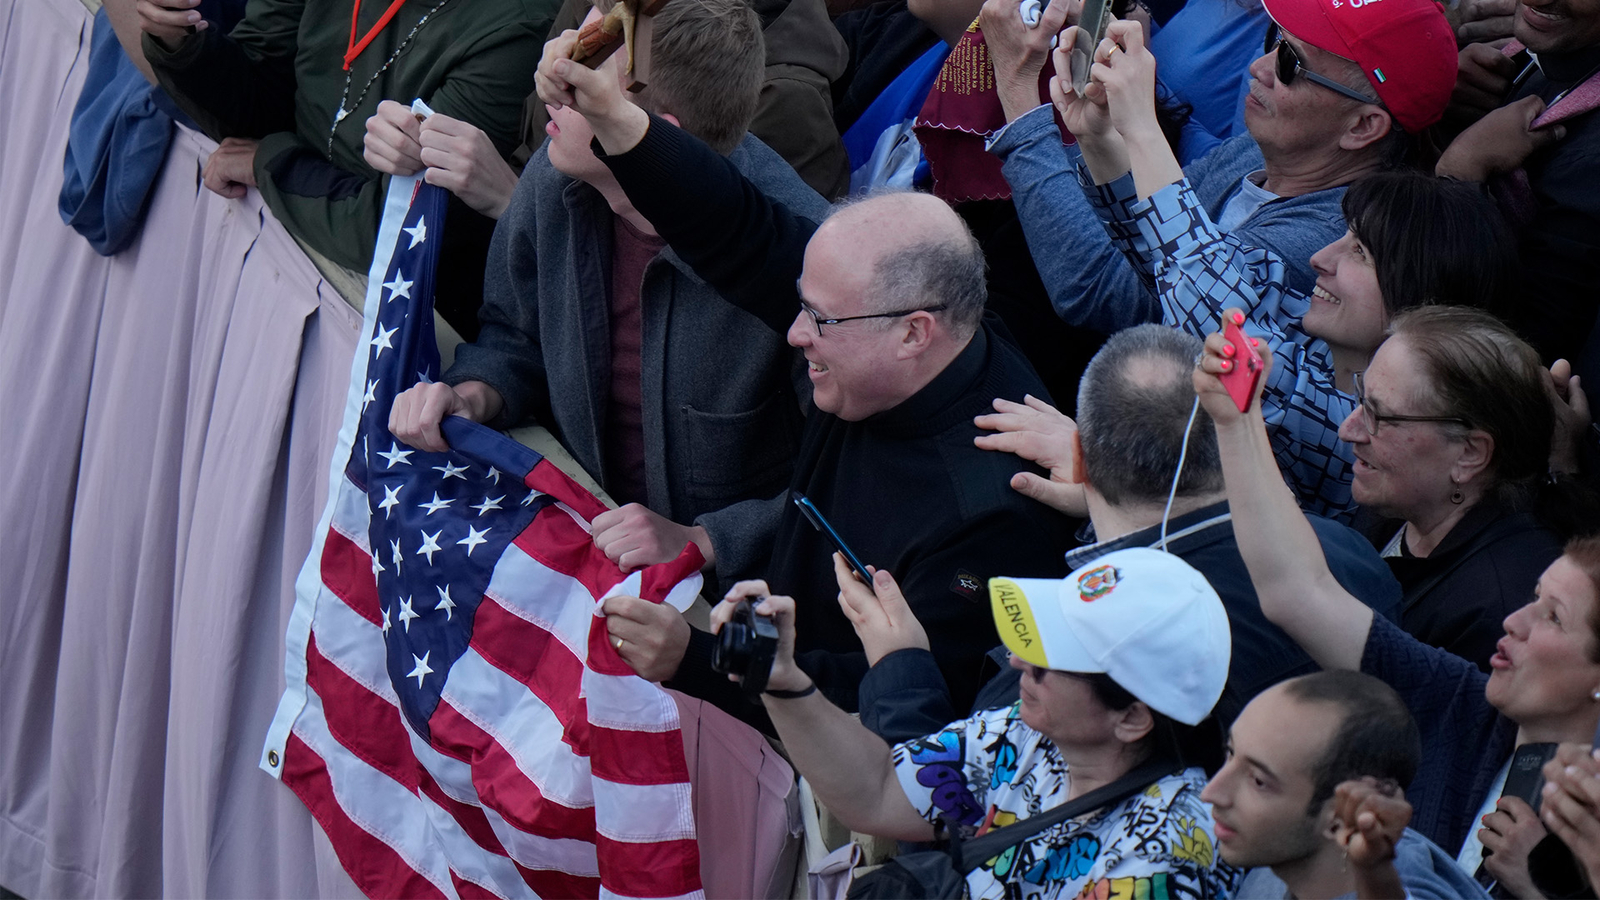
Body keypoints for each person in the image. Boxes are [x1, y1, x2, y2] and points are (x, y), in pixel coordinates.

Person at [533, 46, 1073, 723]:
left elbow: (911, 696)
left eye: (818, 319)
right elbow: (734, 225)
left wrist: (700, 659)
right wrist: (614, 118)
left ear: (914, 332)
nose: (793, 335)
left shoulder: (993, 516)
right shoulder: (887, 331)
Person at [388, 0, 821, 599]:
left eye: (585, 88)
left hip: (729, 615)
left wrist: (706, 540)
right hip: (583, 571)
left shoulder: (810, 267)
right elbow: (516, 336)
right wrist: (473, 394)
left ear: (653, 142)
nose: (553, 98)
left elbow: (851, 480)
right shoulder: (561, 167)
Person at [836, 324, 1400, 742]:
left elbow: (949, 805)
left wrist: (899, 669)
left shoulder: (1076, 649)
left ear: (1081, 449)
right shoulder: (1346, 551)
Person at [1194, 319, 1600, 895]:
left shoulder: (1586, 844)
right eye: (1535, 600)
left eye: (1553, 615)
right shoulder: (1466, 707)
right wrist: (1236, 420)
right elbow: (1297, 590)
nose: (1516, 619)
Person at [1058, 21, 1522, 517]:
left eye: (1360, 252)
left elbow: (1212, 304)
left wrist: (1140, 127)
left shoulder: (1353, 423)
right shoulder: (1314, 331)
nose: (1323, 257)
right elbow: (1163, 255)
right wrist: (1100, 136)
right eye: (1271, 45)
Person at [714, 547, 1241, 900]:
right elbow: (878, 791)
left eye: (1047, 659)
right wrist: (779, 678)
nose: (1016, 662)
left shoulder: (1168, 847)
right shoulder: (1032, 731)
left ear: (1132, 718)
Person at [989, 0, 1458, 336]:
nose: (1260, 66)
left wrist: (1017, 93)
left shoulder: (1330, 239)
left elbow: (1106, 295)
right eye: (1276, 40)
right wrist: (1098, 130)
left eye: (1291, 63)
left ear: (1362, 127)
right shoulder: (1260, 151)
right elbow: (1138, 241)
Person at [135, 0, 553, 328]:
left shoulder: (516, 24)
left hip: (405, 334)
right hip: (281, 278)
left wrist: (272, 163)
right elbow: (255, 107)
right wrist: (181, 42)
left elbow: (389, 230)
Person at [1211, 672, 1490, 899]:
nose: (1211, 793)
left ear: (1344, 811)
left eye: (1259, 781)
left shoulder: (1404, 876)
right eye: (1230, 753)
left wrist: (1376, 874)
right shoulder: (1272, 869)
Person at [1436, 0, 1600, 370]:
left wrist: (1459, 173)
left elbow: (1521, 349)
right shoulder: (1535, 54)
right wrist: (1439, 113)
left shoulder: (1590, 164)